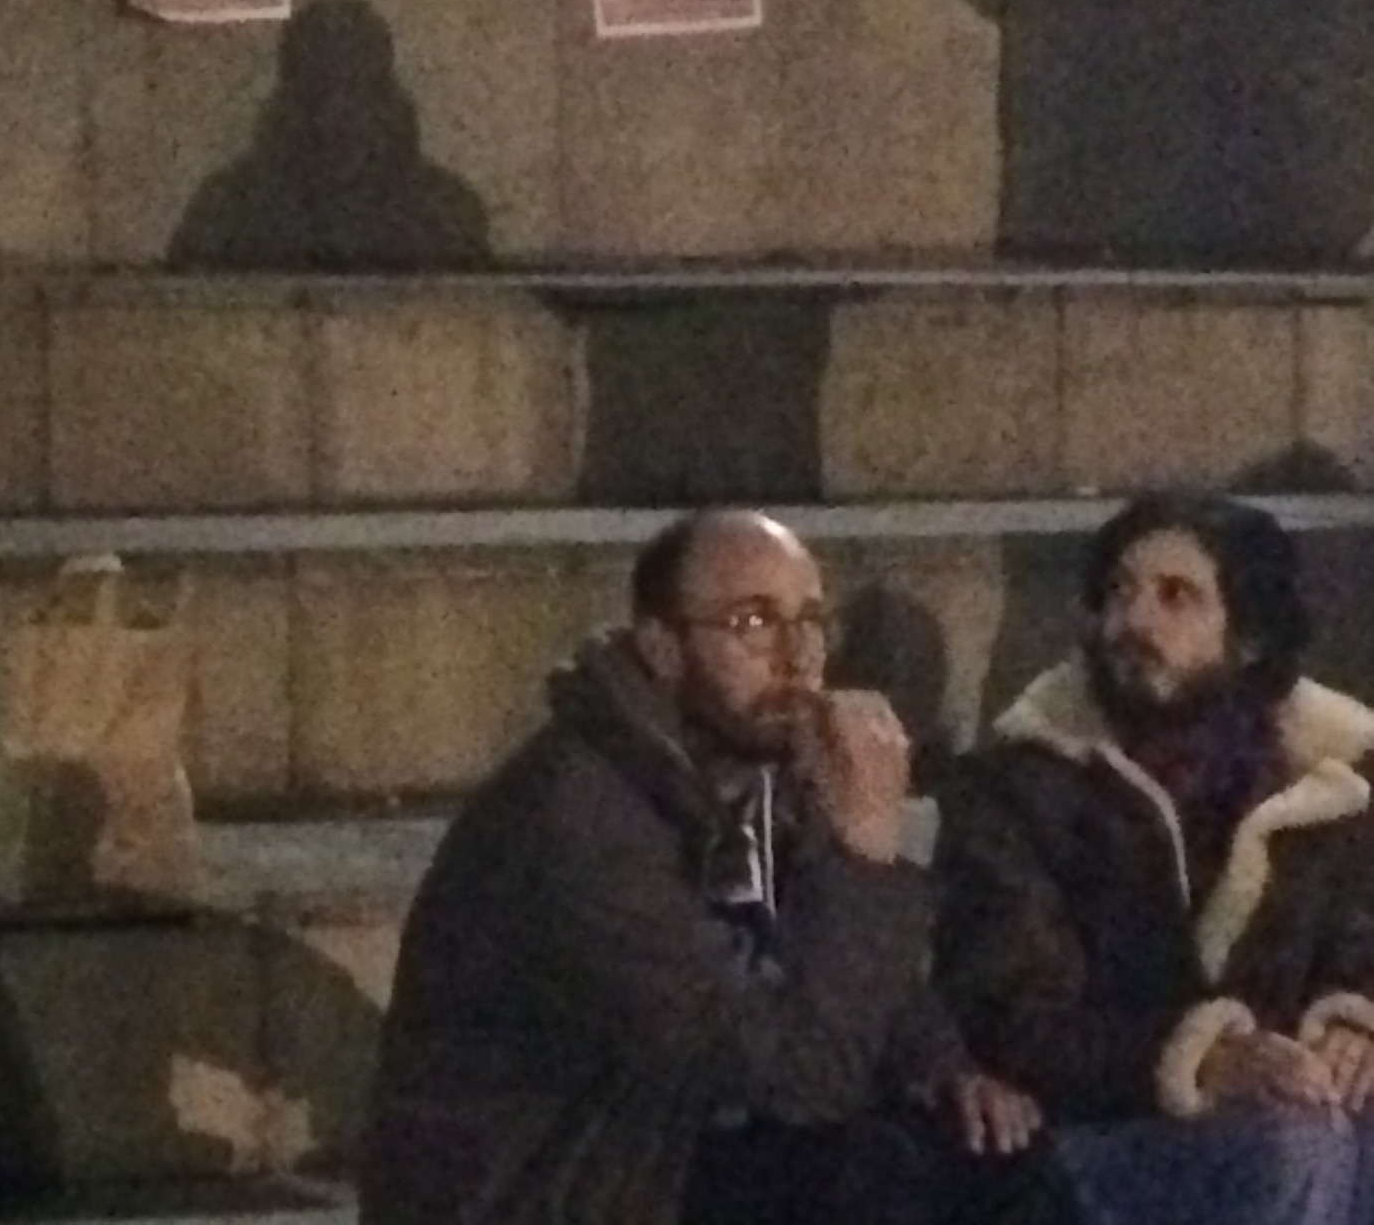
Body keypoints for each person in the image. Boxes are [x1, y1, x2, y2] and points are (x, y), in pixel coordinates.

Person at [361, 509, 1064, 1225]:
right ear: (662, 648)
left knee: (997, 1159)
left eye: (811, 622)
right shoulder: (579, 820)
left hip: (670, 1145)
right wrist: (866, 853)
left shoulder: (762, 763)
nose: (796, 657)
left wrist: (944, 1068)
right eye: (752, 623)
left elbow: (843, 964)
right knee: (871, 1177)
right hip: (555, 1183)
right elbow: (799, 1076)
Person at [937, 492, 1374, 1225]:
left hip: (1287, 1118)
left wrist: (1355, 1028)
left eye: (1176, 597)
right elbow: (1012, 1017)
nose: (1132, 621)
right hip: (1088, 1142)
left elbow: (1361, 944)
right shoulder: (1020, 787)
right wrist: (1202, 1059)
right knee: (1294, 1143)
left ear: (1249, 638)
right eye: (1118, 592)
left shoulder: (1333, 786)